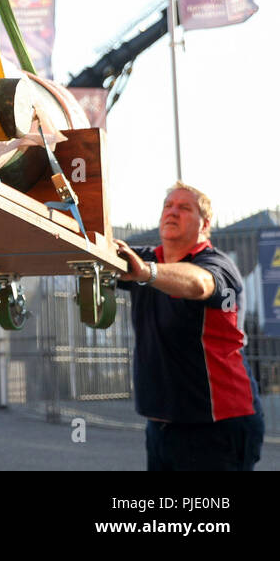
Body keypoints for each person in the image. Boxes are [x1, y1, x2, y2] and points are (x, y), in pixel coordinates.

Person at [114, 183, 264, 470]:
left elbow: (200, 283)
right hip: (162, 426)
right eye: (168, 206)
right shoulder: (146, 258)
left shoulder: (216, 264)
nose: (173, 212)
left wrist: (147, 273)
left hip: (218, 426)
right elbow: (94, 253)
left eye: (184, 208)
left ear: (204, 224)